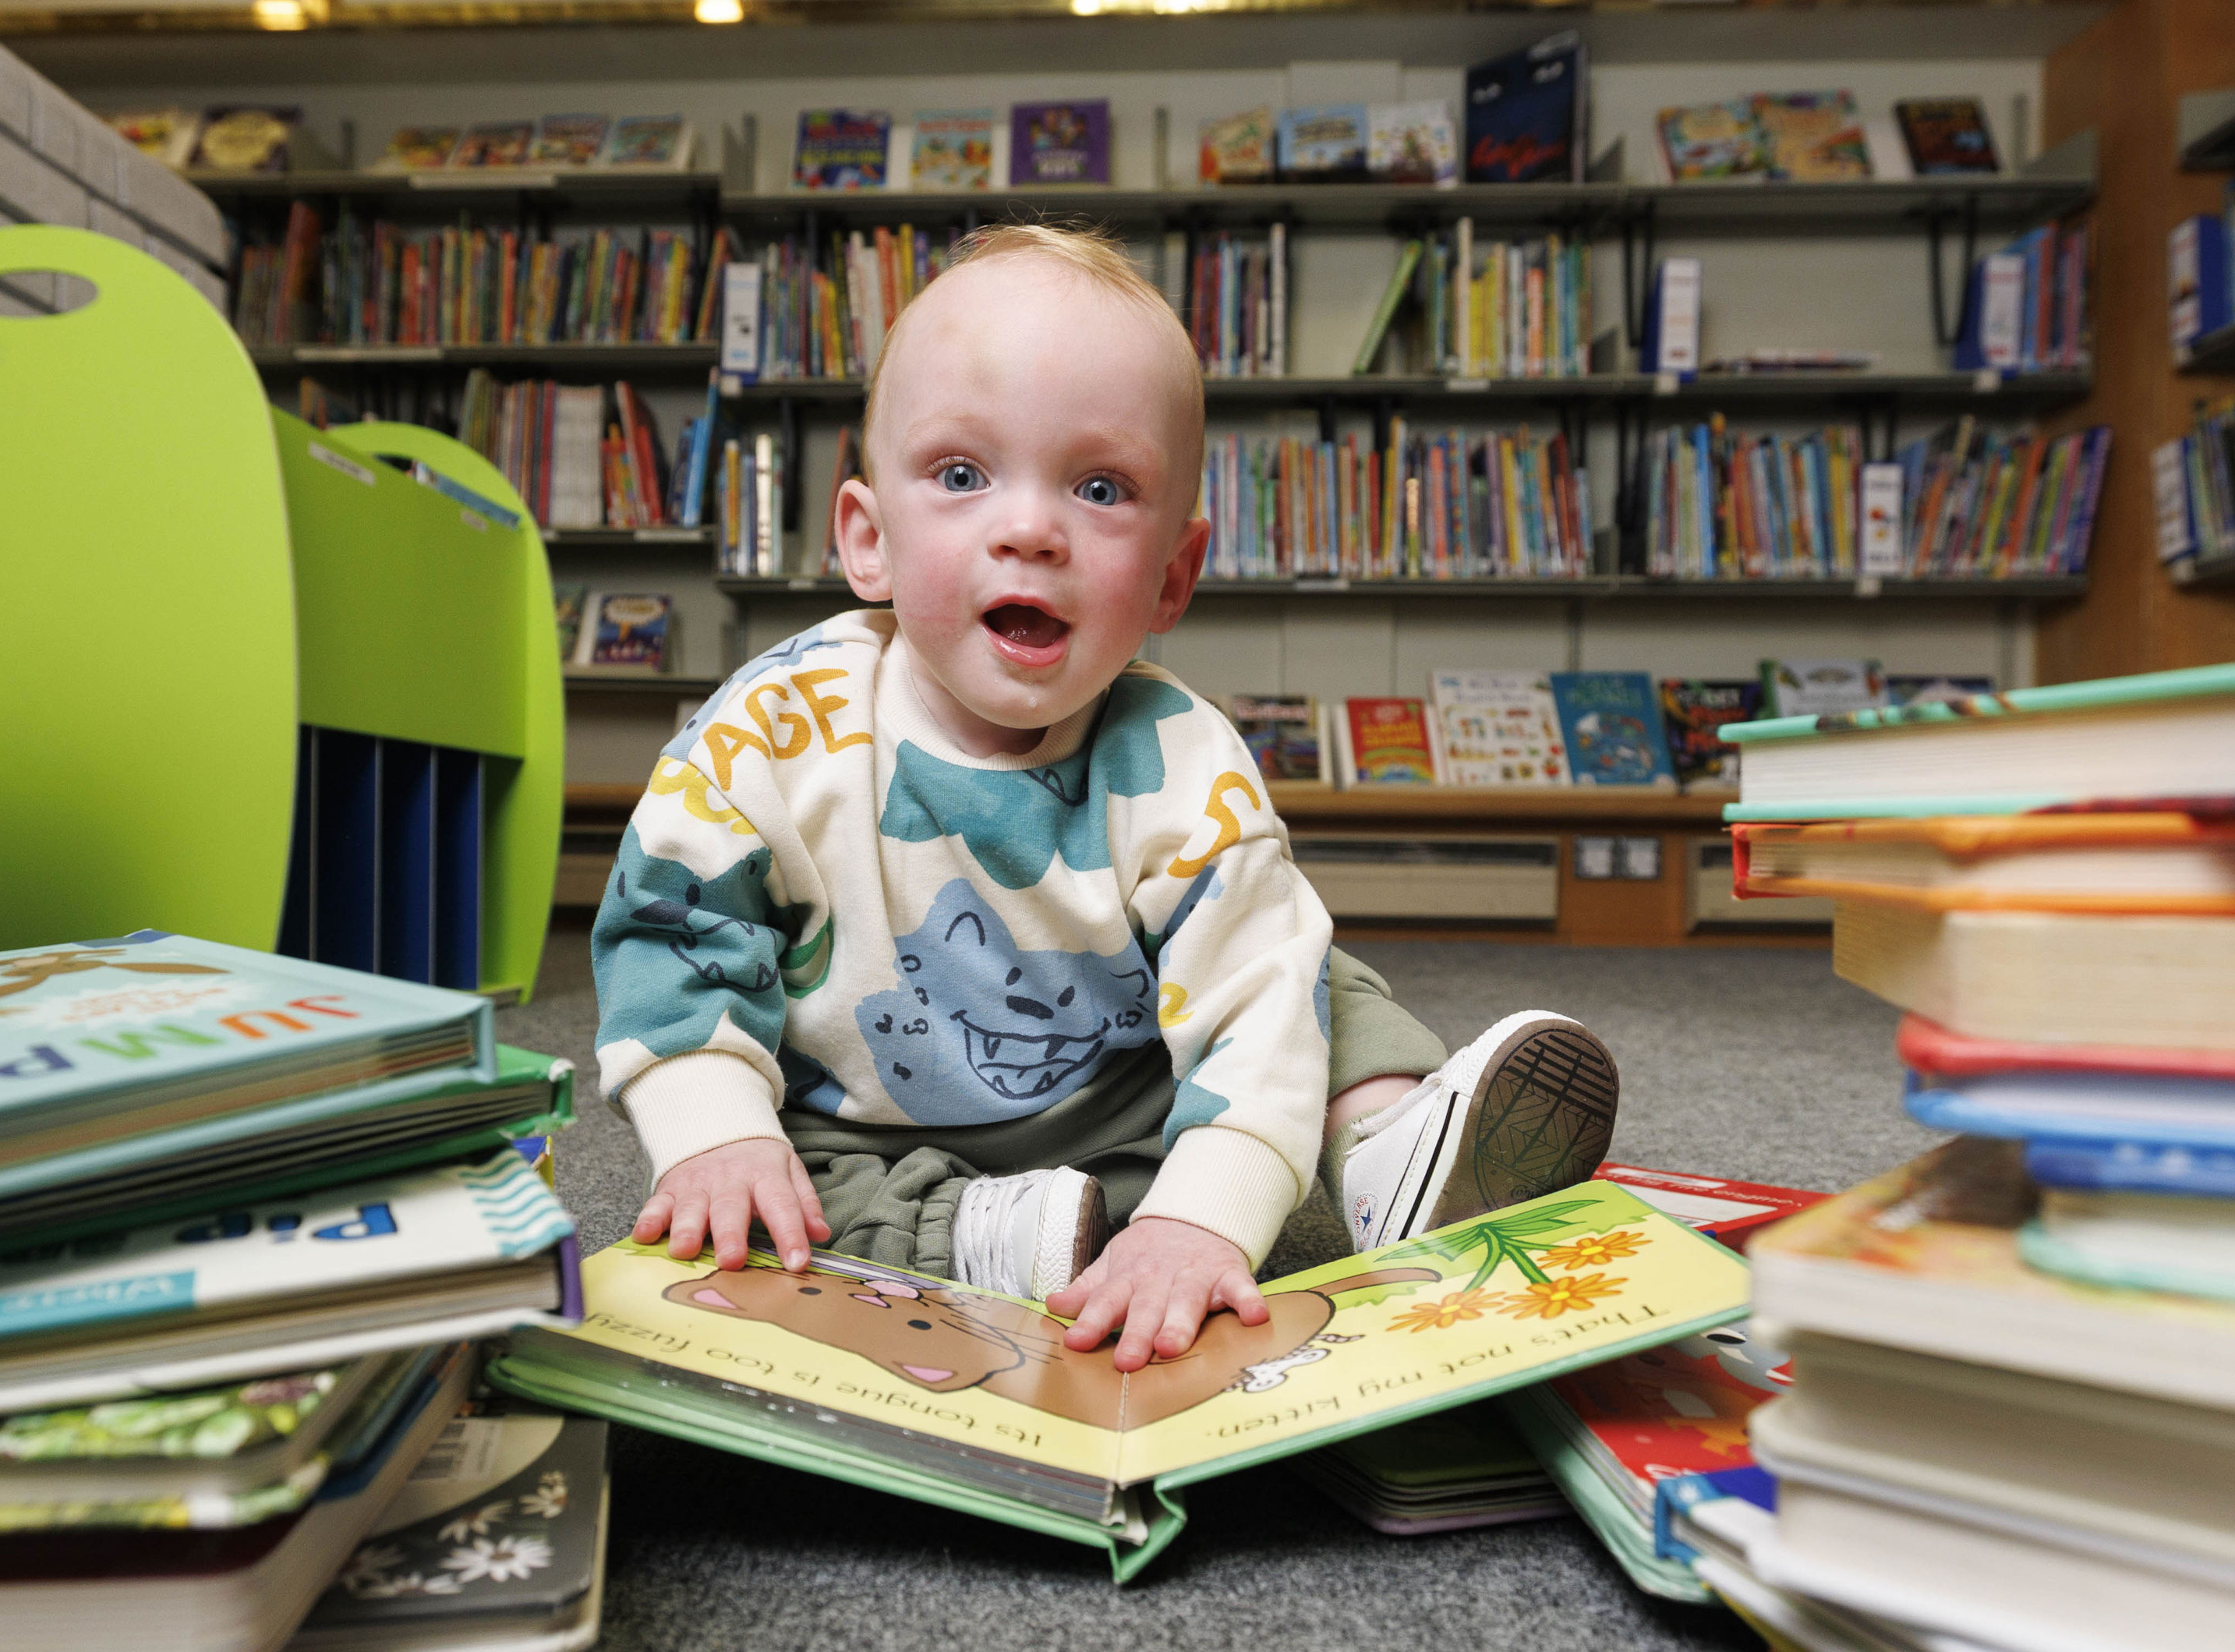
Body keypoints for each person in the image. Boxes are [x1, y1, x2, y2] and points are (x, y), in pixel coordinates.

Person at [589, 224, 1618, 1371]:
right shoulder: (774, 731)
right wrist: (715, 1133)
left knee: (1300, 968)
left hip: (1128, 1111)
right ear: (867, 541)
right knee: (773, 1211)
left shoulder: (1179, 757)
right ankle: (978, 1240)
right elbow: (676, 942)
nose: (1028, 530)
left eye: (1098, 488)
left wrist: (1199, 1217)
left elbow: (1251, 1019)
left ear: (1172, 578)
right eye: (962, 476)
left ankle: (1381, 1140)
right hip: (861, 1124)